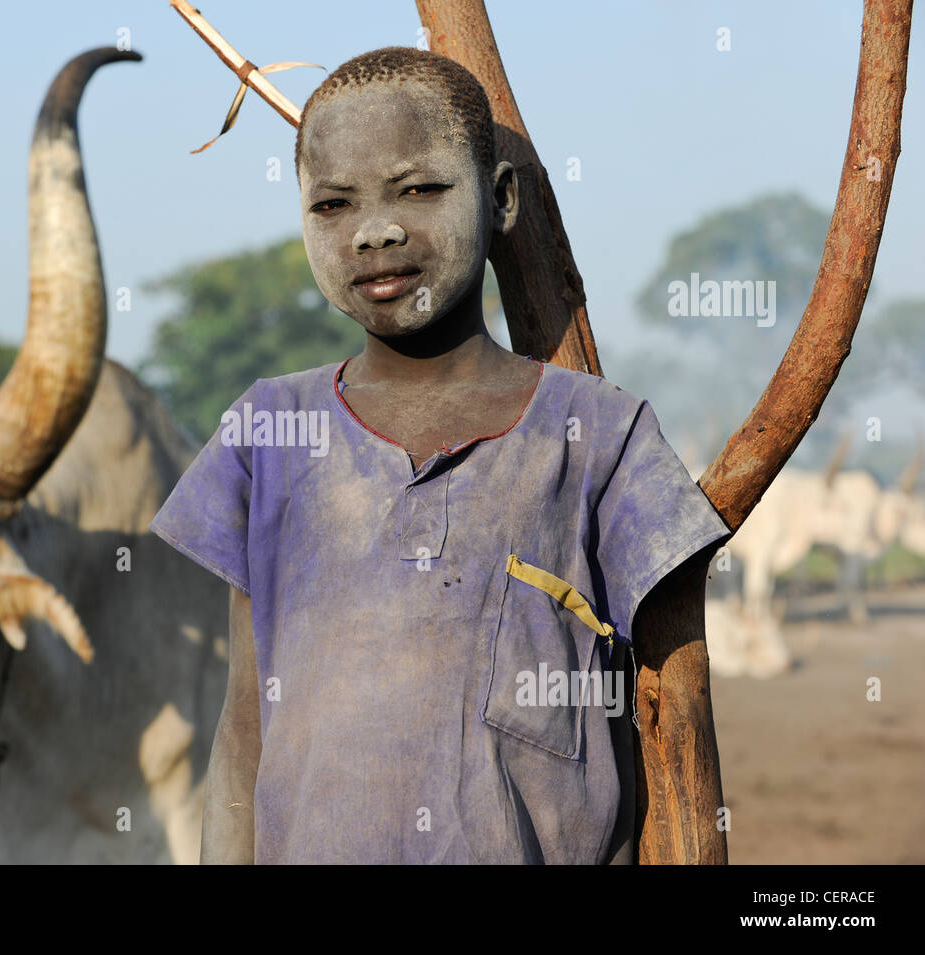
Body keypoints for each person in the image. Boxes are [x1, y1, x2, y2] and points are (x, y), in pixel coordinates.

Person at [149, 46, 731, 864]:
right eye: (332, 205)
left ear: (499, 200)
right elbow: (245, 730)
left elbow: (678, 730)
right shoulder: (266, 432)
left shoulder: (602, 437)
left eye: (420, 189)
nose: (375, 229)